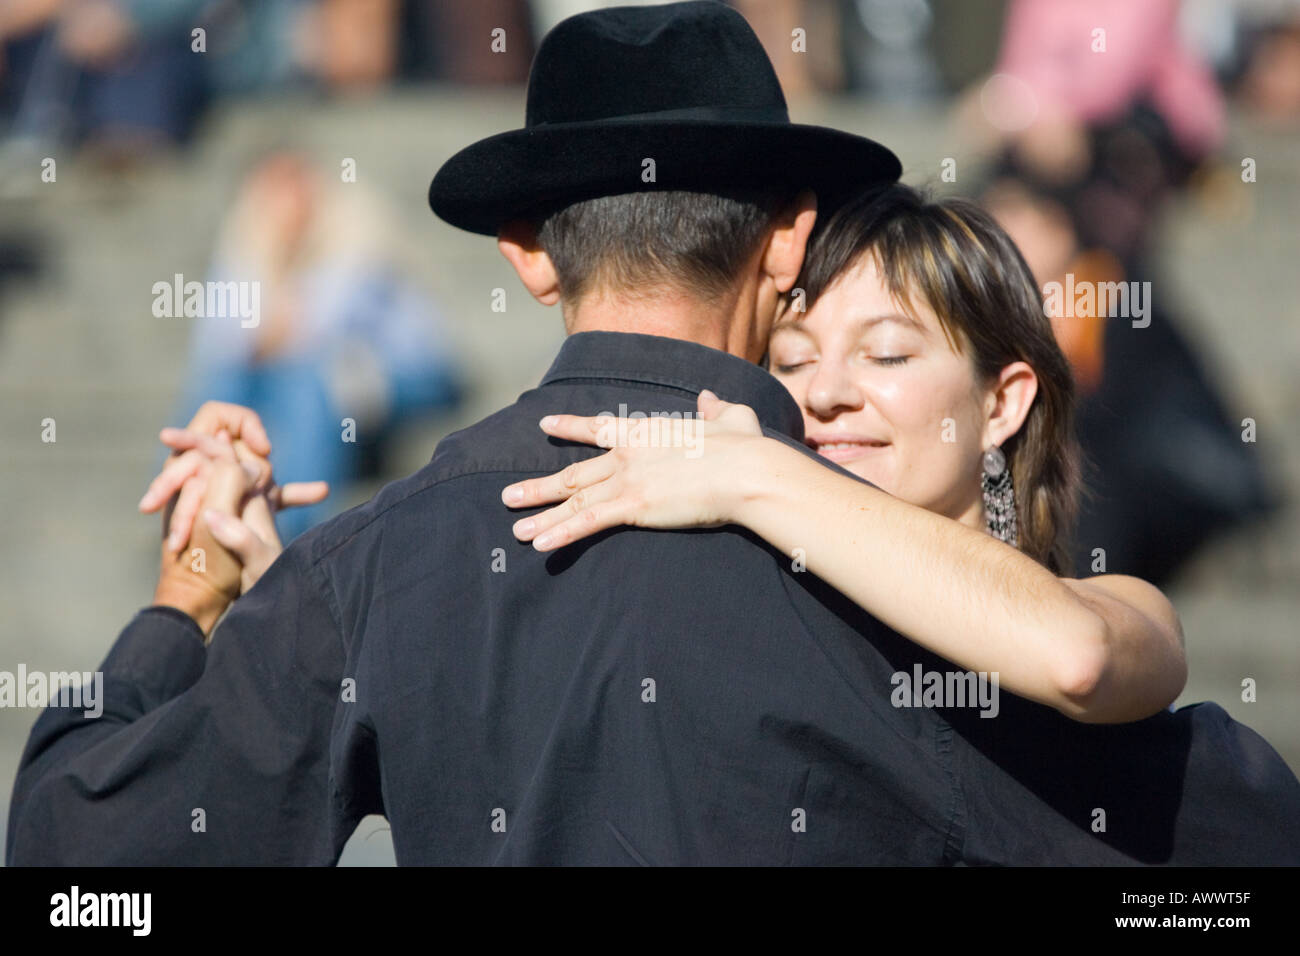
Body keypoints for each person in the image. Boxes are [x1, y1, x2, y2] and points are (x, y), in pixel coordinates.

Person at [8, 1, 1300, 866]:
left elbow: (78, 860)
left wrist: (186, 604)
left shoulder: (385, 565)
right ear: (792, 237)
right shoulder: (909, 581)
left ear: (525, 255)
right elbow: (1225, 820)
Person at [497, 182, 1187, 724]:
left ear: (1001, 403)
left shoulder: (1116, 607)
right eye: (792, 361)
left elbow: (1077, 660)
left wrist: (754, 471)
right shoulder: (744, 616)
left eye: (886, 353)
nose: (824, 392)